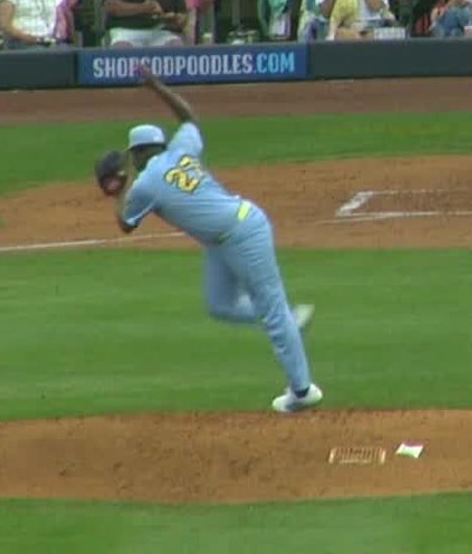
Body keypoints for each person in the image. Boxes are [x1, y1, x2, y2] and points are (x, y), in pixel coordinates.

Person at [107, 63, 321, 414]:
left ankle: (301, 390)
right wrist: (156, 87)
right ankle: (287, 320)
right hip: (228, 234)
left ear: (137, 154)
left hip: (242, 234)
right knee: (220, 305)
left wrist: (115, 192)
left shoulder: (145, 184)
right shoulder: (180, 150)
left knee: (270, 308)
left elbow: (126, 224)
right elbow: (188, 116)